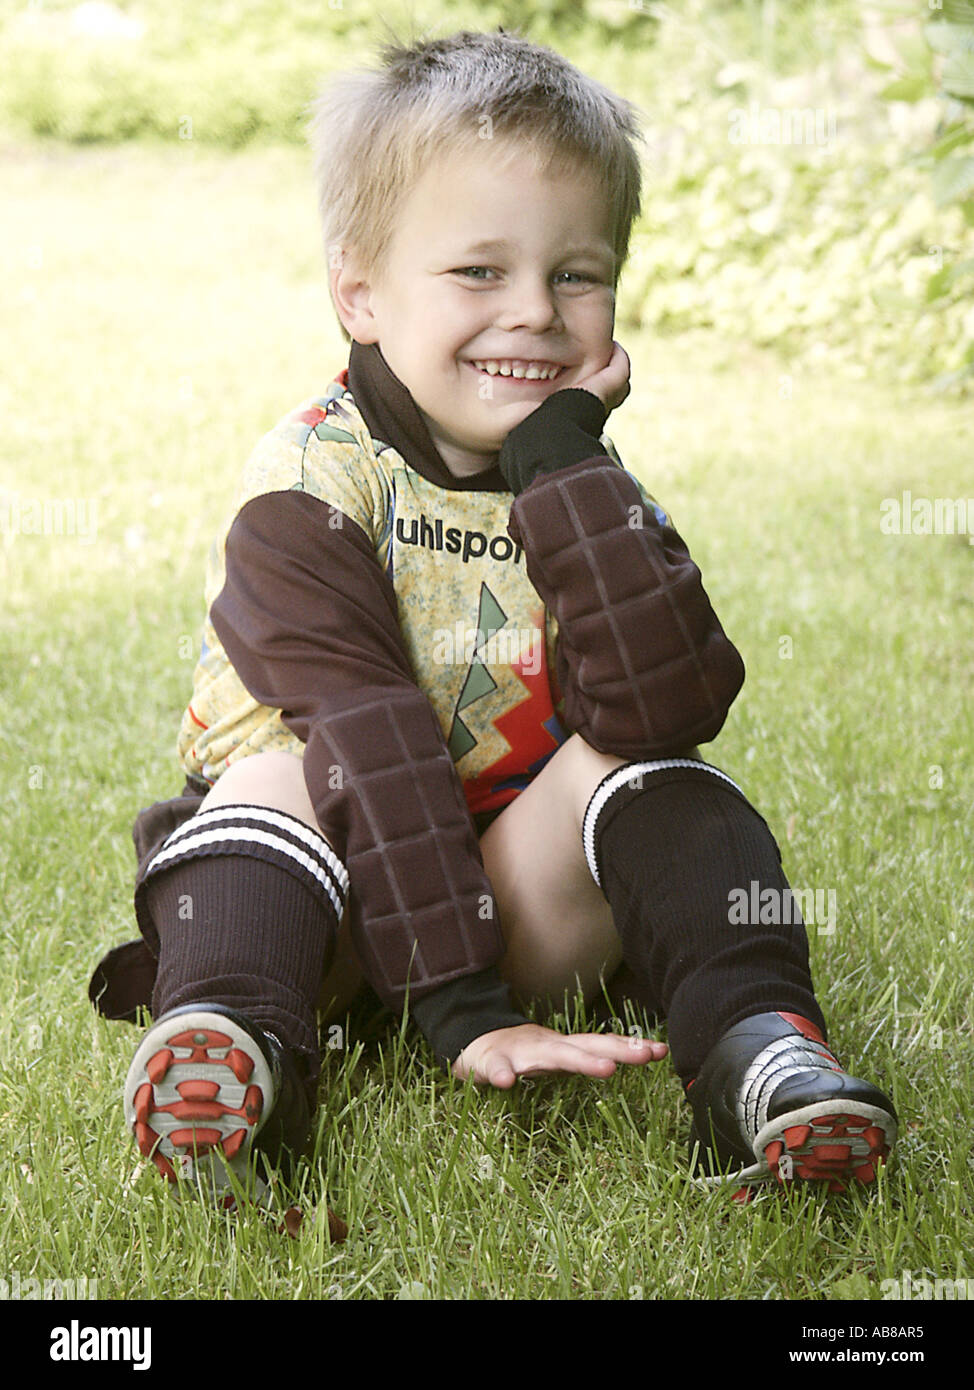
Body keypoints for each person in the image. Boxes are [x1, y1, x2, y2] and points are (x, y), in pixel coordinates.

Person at [89, 27, 896, 1211]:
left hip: (503, 891)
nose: (533, 312)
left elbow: (668, 704)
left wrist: (565, 465)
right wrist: (462, 1009)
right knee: (274, 777)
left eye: (574, 273)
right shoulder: (311, 481)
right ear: (358, 289)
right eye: (478, 272)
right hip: (324, 914)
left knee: (656, 774)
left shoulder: (583, 480)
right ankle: (233, 1036)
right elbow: (368, 727)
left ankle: (756, 1054)